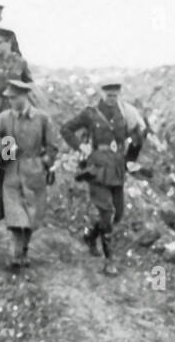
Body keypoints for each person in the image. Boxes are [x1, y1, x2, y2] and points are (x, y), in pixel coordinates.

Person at [59, 82, 148, 267]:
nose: (112, 98)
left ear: (119, 95)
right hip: (96, 168)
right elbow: (66, 129)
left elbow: (138, 135)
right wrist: (80, 146)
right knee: (106, 212)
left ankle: (90, 236)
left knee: (118, 214)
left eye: (115, 95)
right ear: (102, 94)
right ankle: (109, 260)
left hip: (116, 168)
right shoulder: (90, 113)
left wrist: (131, 158)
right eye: (109, 95)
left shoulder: (124, 113)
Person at [0, 79, 59, 271]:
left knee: (31, 217)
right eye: (8, 98)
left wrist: (44, 163)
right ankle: (17, 254)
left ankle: (24, 250)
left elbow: (53, 147)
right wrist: (7, 145)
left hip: (35, 172)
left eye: (14, 97)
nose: (10, 101)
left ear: (24, 97)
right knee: (16, 216)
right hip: (11, 172)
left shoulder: (42, 119)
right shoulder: (4, 118)